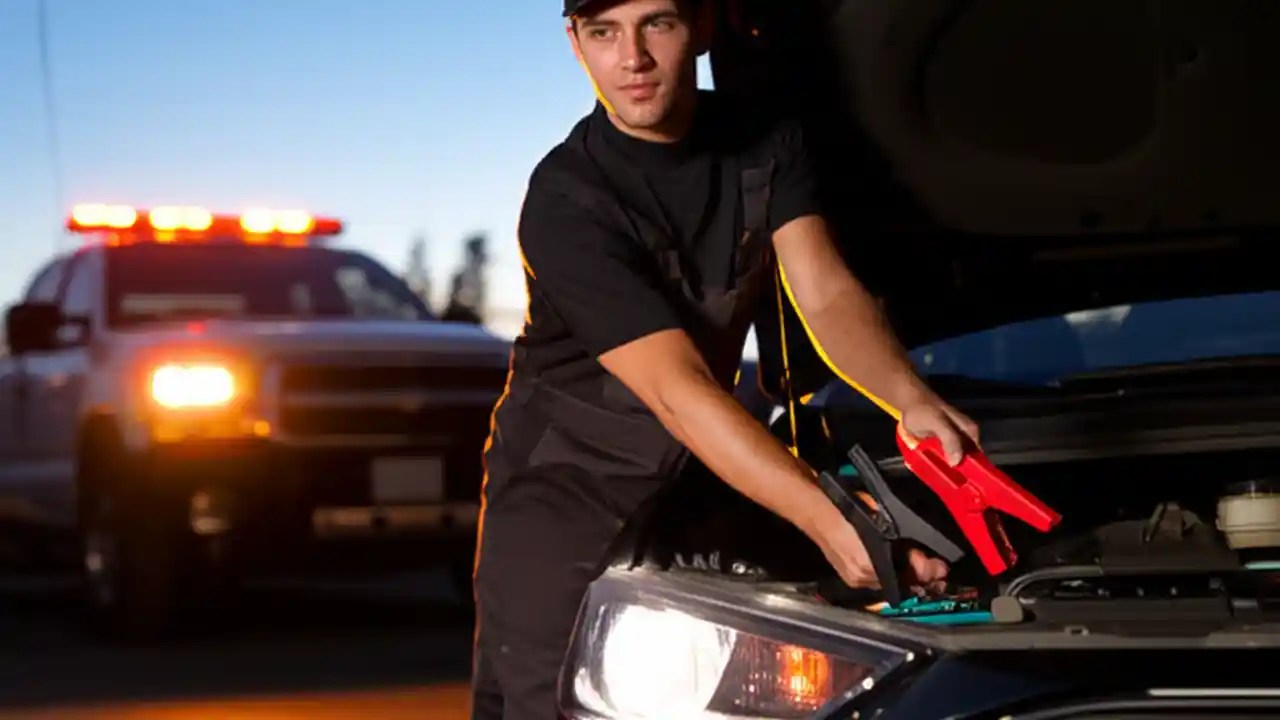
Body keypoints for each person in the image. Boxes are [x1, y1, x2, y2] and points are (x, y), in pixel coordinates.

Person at [469, 0, 980, 717]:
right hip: (564, 493)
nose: (633, 58)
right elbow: (678, 390)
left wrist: (910, 399)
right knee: (551, 702)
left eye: (659, 23)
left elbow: (826, 293)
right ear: (575, 42)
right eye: (604, 32)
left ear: (703, 27)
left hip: (697, 469)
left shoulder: (764, 142)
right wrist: (832, 521)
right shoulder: (566, 199)